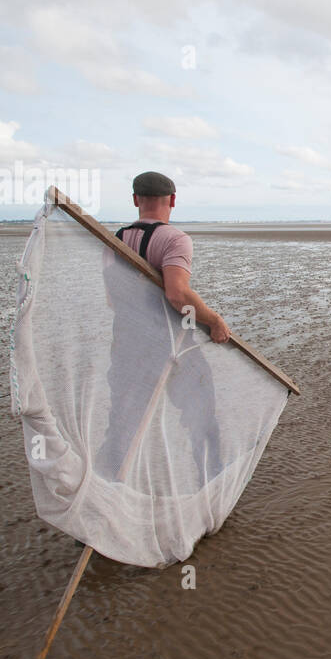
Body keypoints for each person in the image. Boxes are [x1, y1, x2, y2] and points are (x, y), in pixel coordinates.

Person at [94, 172, 229, 483]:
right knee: (200, 416)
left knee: (123, 423)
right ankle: (212, 486)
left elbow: (113, 301)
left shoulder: (112, 241)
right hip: (174, 345)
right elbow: (177, 294)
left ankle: (106, 493)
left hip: (127, 346)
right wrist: (214, 320)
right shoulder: (174, 239)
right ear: (173, 200)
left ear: (135, 200)